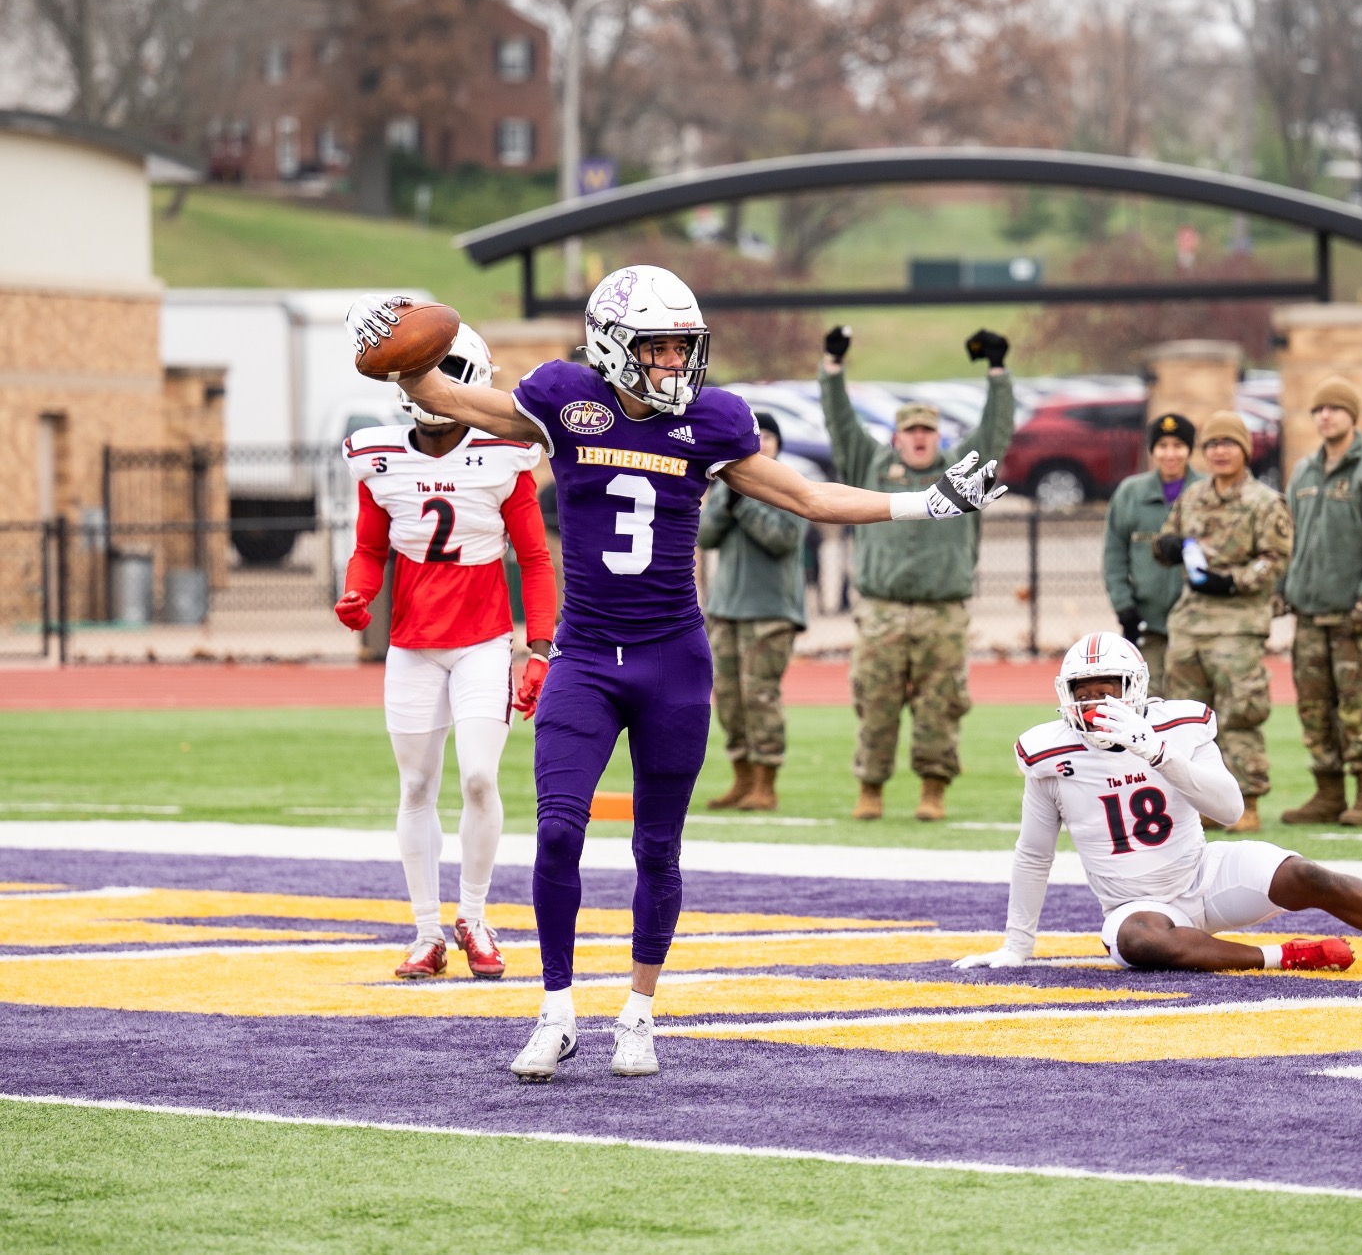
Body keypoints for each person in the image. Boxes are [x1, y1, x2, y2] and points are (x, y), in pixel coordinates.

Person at [346, 267, 1006, 1083]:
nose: (674, 364)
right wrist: (398, 350)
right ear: (615, 347)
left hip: (671, 659)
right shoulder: (563, 398)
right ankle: (555, 1010)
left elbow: (809, 498)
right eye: (657, 347)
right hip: (587, 658)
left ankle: (639, 1012)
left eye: (682, 347)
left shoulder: (713, 420)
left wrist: (928, 502)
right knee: (558, 830)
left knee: (658, 847)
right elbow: (452, 401)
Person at [953, 634, 1362, 976]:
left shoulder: (1177, 726)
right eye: (1085, 692)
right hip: (1139, 906)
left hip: (1205, 874)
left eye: (1110, 690)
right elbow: (1033, 855)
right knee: (1142, 942)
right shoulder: (1050, 752)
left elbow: (1231, 810)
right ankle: (1287, 957)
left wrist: (1156, 751)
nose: (1098, 704)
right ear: (1065, 695)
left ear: (1136, 689)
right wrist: (1016, 947)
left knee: (1310, 875)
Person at [334, 325, 557, 982]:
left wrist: (539, 648)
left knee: (480, 777)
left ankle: (476, 916)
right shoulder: (377, 456)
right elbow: (372, 548)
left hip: (484, 640)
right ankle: (426, 930)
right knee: (416, 785)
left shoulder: (503, 454)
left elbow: (537, 560)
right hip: (411, 645)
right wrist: (357, 592)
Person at [820, 325, 1015, 823]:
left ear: (939, 437)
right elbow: (841, 424)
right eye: (911, 431)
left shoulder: (961, 474)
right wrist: (833, 368)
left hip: (942, 615)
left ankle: (933, 790)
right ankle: (871, 789)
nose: (920, 439)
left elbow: (995, 432)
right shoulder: (871, 464)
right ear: (896, 438)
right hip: (881, 613)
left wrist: (997, 374)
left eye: (928, 431)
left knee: (940, 709)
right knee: (875, 706)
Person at [1151, 411, 1294, 833]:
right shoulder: (1192, 498)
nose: (1219, 451)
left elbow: (1275, 559)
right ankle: (1200, 805)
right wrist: (1168, 546)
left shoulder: (1265, 502)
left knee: (1239, 714)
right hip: (1190, 624)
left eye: (1228, 443)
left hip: (1237, 623)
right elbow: (1164, 543)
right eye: (1212, 445)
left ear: (1244, 450)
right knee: (1185, 722)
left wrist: (1231, 583)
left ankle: (1246, 801)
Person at [1279, 377, 1362, 827]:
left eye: (1334, 409)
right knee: (1314, 707)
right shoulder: (1304, 471)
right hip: (1309, 614)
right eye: (1318, 409)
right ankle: (1328, 792)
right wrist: (1283, 589)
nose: (1324, 416)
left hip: (1354, 613)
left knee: (1359, 705)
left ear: (1353, 416)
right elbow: (1288, 537)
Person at [698, 411, 808, 812]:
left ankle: (766, 783)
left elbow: (781, 538)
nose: (762, 445)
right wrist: (728, 498)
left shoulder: (790, 486)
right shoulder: (727, 484)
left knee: (760, 696)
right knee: (728, 698)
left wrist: (744, 504)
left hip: (771, 612)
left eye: (769, 439)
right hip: (726, 610)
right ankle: (742, 779)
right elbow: (705, 536)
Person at [1103, 412, 1195, 683]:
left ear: (1189, 449)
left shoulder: (1204, 492)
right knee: (1147, 701)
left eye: (1178, 446)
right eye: (1162, 446)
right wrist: (1124, 606)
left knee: (1192, 702)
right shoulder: (1130, 493)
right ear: (1152, 450)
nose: (1170, 454)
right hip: (1147, 623)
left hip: (1196, 622)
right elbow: (1114, 554)